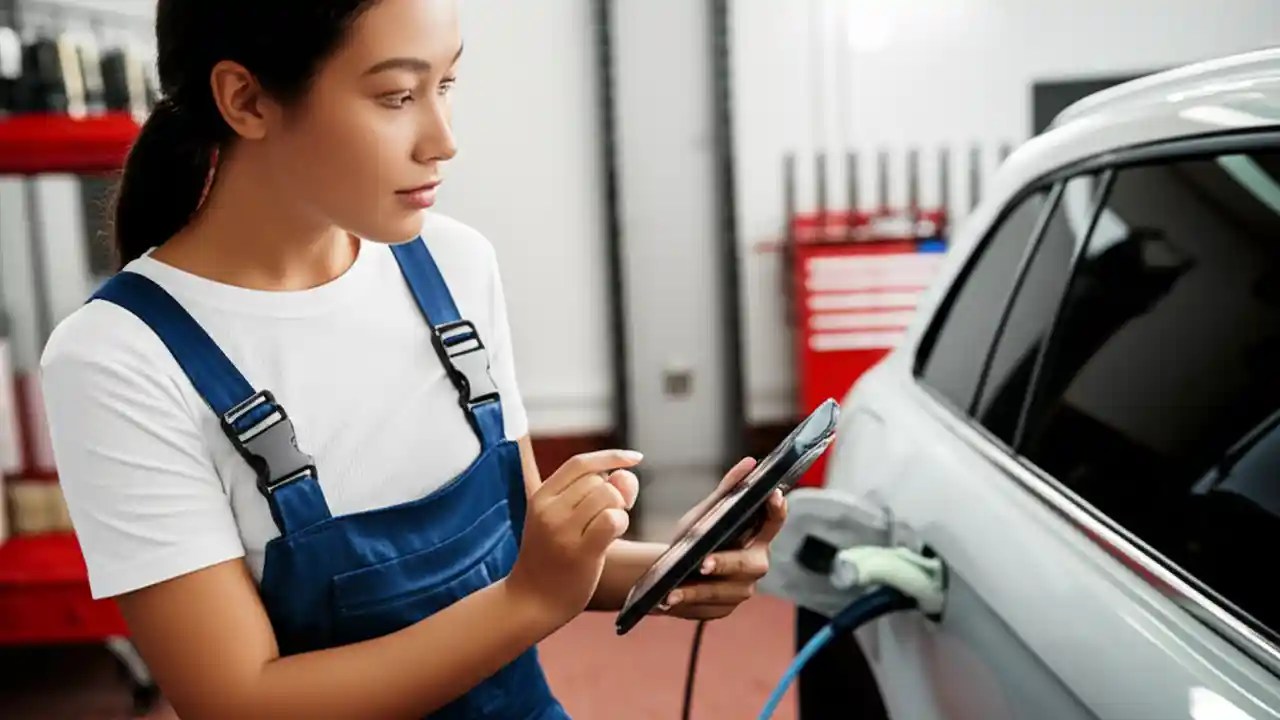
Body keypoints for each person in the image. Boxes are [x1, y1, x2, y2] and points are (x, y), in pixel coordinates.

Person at [37, 1, 787, 718]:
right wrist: (530, 602)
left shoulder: (454, 267)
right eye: (397, 95)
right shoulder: (119, 358)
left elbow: (516, 557)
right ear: (248, 101)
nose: (443, 138)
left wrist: (673, 566)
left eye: (447, 83)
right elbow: (240, 700)